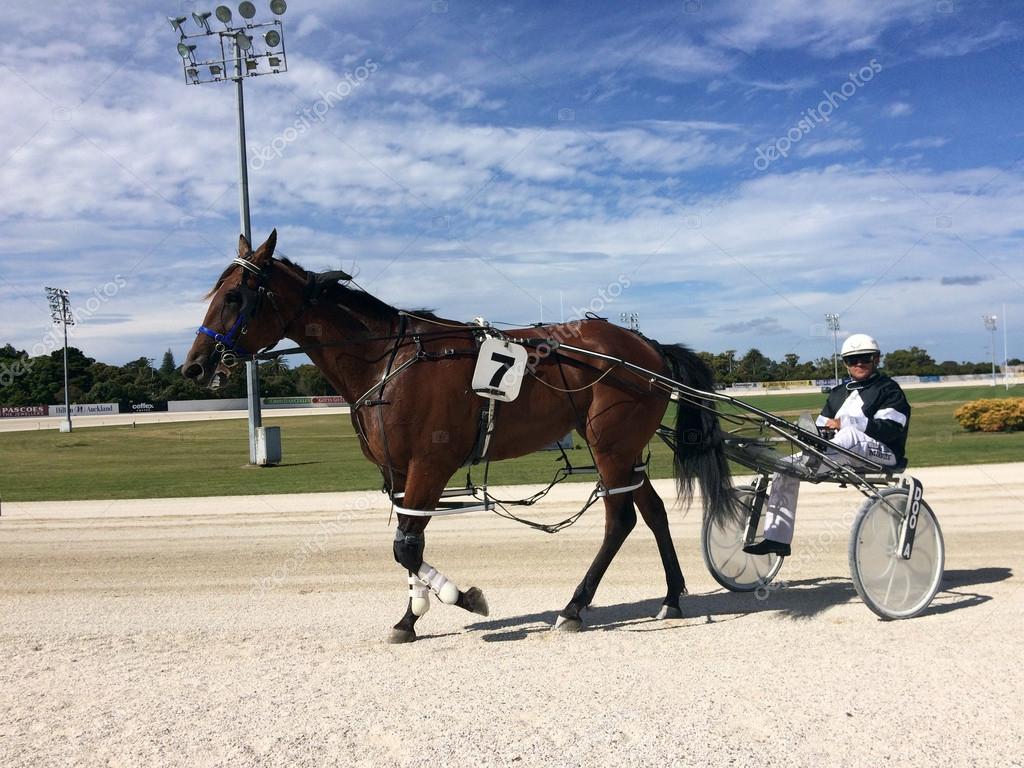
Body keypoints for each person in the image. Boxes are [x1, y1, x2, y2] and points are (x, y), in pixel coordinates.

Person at [743, 334, 911, 557]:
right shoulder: (838, 393)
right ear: (845, 364)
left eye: (865, 358)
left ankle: (814, 460)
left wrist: (845, 423)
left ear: (876, 359)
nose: (859, 363)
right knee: (783, 467)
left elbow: (891, 429)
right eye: (852, 360)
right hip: (839, 454)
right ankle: (777, 539)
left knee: (848, 434)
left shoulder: (889, 389)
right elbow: (821, 430)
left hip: (884, 454)